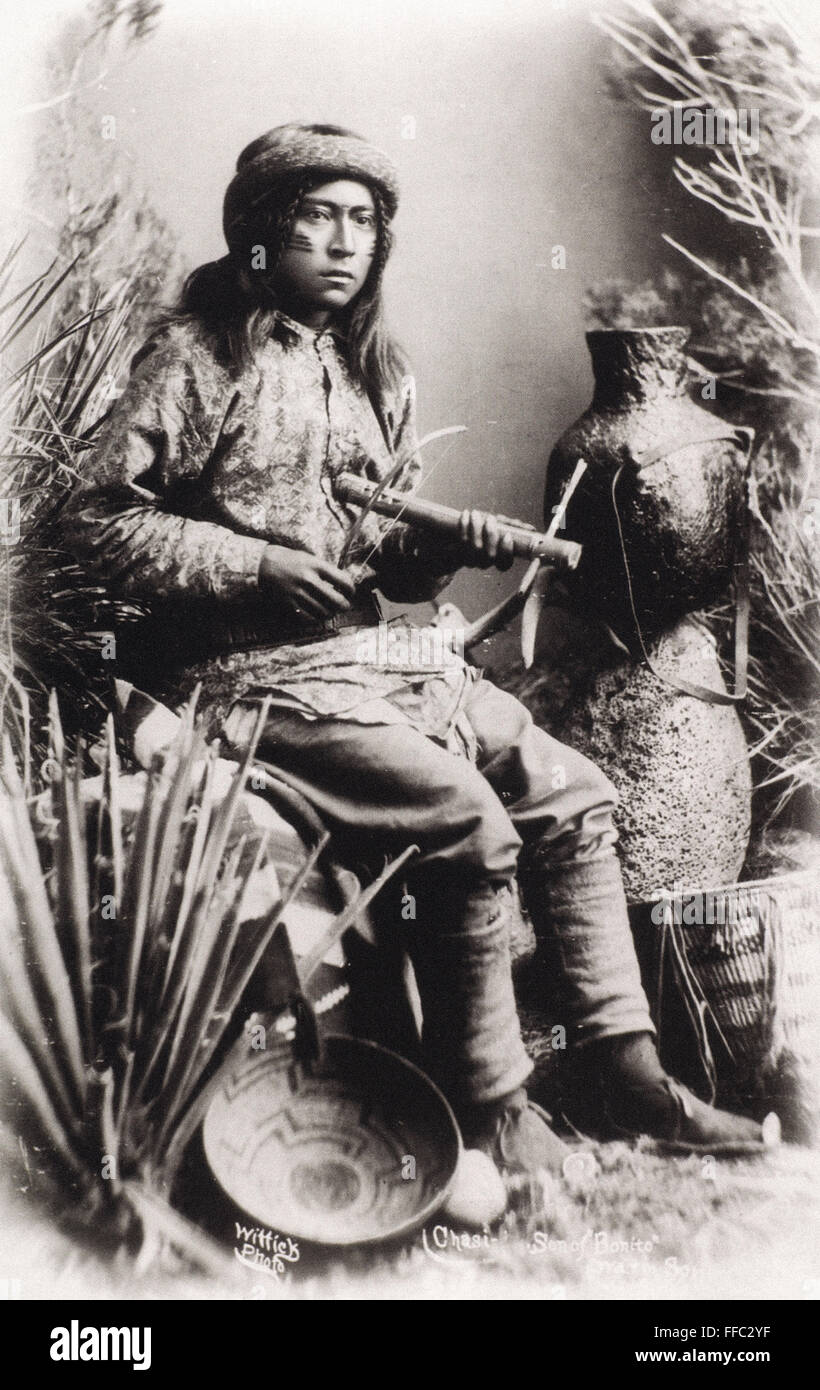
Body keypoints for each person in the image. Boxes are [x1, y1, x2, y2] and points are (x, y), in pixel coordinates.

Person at [62, 122, 777, 1176]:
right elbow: (88, 522)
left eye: (363, 223)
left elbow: (378, 557)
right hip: (237, 681)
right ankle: (491, 1107)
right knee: (465, 826)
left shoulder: (369, 371)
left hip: (364, 665)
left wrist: (436, 551)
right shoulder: (194, 356)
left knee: (572, 793)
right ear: (260, 232)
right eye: (318, 217)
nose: (344, 244)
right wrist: (254, 566)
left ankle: (623, 1072)